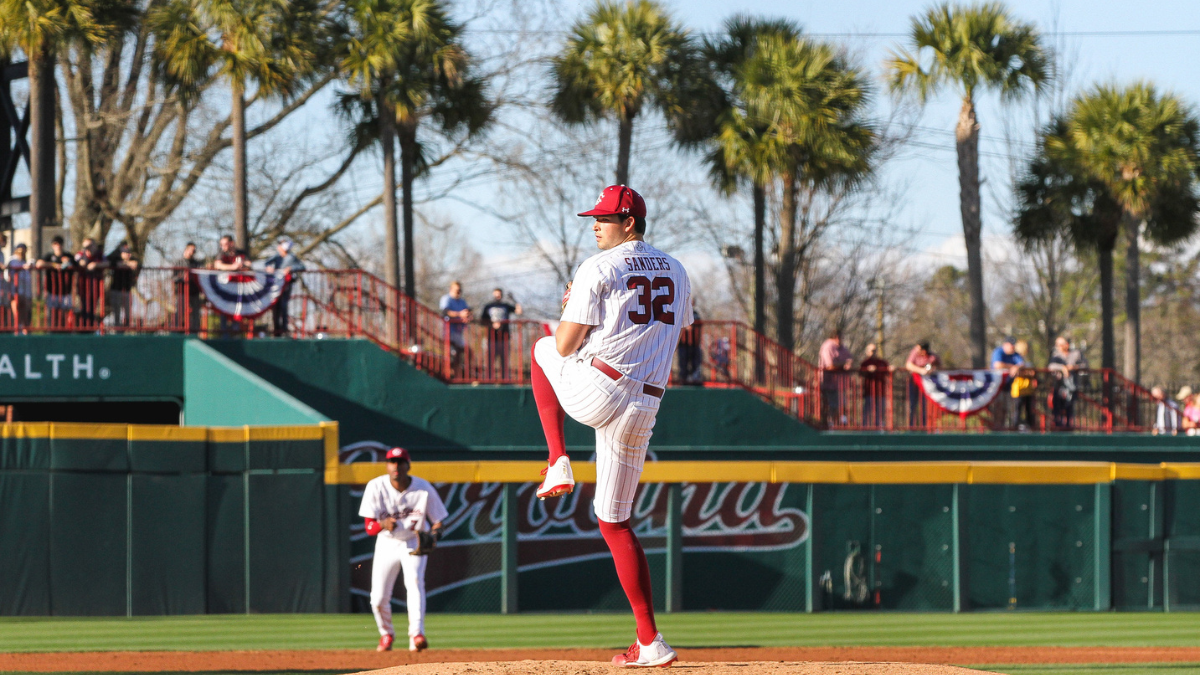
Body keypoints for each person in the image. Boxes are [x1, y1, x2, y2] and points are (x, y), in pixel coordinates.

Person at [531, 185, 689, 668]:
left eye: (604, 218)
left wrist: (568, 313)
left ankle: (557, 458)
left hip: (600, 390)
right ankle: (650, 641)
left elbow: (562, 346)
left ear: (630, 222)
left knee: (539, 348)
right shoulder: (679, 270)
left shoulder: (599, 267)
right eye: (594, 218)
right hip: (645, 405)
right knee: (614, 522)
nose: (595, 225)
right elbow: (662, 333)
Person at [358, 447, 447, 653]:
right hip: (386, 542)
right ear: (387, 465)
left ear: (408, 465)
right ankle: (386, 634)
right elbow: (370, 527)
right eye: (392, 461)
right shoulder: (376, 486)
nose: (396, 466)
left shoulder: (423, 488)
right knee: (378, 598)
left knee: (415, 582)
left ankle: (417, 634)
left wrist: (434, 535)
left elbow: (439, 522)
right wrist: (382, 524)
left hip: (412, 542)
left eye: (400, 461)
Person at [263, 238, 306, 337]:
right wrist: (269, 267)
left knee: (283, 305)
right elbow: (267, 262)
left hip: (286, 284)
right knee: (275, 307)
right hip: (276, 284)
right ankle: (276, 330)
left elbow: (302, 267)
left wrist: (291, 268)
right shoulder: (277, 256)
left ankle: (284, 329)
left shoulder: (291, 257)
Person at [478, 287, 522, 379]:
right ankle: (489, 380)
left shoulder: (506, 306)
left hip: (504, 338)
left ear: (501, 295)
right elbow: (482, 321)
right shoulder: (488, 306)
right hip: (491, 338)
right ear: (493, 294)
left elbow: (519, 311)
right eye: (496, 294)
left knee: (504, 361)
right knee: (490, 361)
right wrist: (492, 325)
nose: (497, 296)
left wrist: (514, 300)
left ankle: (505, 380)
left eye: (499, 294)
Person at [1047, 336, 1087, 430]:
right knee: (1057, 407)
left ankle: (1069, 426)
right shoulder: (1056, 355)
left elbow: (1085, 365)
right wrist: (1063, 368)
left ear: (1067, 345)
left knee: (1069, 406)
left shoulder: (1076, 354)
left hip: (1072, 386)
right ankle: (1057, 426)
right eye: (1057, 345)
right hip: (1059, 386)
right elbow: (1051, 366)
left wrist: (1073, 367)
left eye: (1060, 345)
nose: (1058, 347)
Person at [212, 235, 248, 336]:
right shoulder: (221, 254)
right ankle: (225, 335)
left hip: (238, 289)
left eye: (225, 244)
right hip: (224, 288)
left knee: (237, 311)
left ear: (232, 243)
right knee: (224, 311)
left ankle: (235, 334)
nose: (223, 247)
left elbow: (249, 264)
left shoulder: (241, 253)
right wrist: (232, 267)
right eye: (221, 245)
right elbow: (218, 265)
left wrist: (243, 264)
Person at [36, 236, 75, 329]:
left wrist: (68, 263)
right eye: (56, 244)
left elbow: (77, 264)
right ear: (53, 245)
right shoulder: (49, 256)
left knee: (65, 314)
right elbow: (39, 264)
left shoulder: (68, 256)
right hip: (52, 291)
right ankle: (52, 332)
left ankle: (65, 332)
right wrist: (54, 265)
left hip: (66, 291)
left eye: (60, 243)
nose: (58, 246)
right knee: (52, 314)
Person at [817, 330, 854, 427]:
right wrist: (843, 364)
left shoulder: (842, 347)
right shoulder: (828, 347)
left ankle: (841, 423)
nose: (842, 340)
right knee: (832, 405)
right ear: (836, 337)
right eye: (841, 337)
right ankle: (830, 424)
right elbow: (830, 365)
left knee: (842, 405)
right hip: (829, 382)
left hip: (840, 383)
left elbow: (850, 358)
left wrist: (849, 363)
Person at [74, 238, 108, 329]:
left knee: (93, 308)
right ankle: (82, 329)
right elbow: (76, 261)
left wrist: (96, 264)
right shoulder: (80, 254)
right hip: (82, 287)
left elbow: (107, 263)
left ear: (95, 246)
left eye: (90, 246)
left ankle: (91, 328)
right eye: (85, 246)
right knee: (82, 308)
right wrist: (82, 262)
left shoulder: (100, 255)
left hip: (95, 287)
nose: (88, 248)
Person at [904, 342, 941, 428]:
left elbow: (939, 365)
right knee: (912, 405)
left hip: (926, 384)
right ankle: (911, 427)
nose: (916, 350)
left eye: (919, 349)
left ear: (924, 350)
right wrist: (921, 370)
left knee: (925, 406)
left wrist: (933, 369)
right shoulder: (914, 353)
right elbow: (908, 365)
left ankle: (924, 427)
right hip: (914, 382)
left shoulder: (932, 356)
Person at [439, 281, 471, 377]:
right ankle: (448, 372)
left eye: (460, 290)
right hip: (448, 331)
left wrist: (468, 316)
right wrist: (459, 314)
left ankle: (458, 372)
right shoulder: (446, 299)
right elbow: (445, 312)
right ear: (451, 289)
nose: (458, 292)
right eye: (456, 290)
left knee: (466, 352)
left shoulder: (462, 301)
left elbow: (468, 312)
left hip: (459, 332)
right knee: (450, 353)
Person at [991, 337, 1024, 430]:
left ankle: (1008, 429)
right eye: (1011, 345)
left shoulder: (1015, 354)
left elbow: (1021, 364)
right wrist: (1012, 367)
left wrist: (1017, 367)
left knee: (1009, 409)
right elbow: (997, 365)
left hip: (1010, 386)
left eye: (1013, 345)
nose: (1012, 347)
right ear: (1005, 344)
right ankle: (997, 430)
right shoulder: (998, 352)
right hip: (997, 386)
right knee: (999, 408)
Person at [105, 242, 140, 328]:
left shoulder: (133, 258)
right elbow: (108, 259)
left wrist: (126, 263)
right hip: (116, 289)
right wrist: (126, 263)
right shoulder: (115, 258)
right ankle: (118, 329)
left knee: (128, 312)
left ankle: (127, 328)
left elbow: (137, 263)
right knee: (116, 312)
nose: (128, 254)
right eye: (125, 252)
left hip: (127, 290)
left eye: (129, 252)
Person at [174, 242, 205, 333]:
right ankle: (176, 330)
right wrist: (182, 278)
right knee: (179, 312)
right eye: (191, 250)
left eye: (194, 251)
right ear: (186, 250)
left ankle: (195, 331)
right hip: (182, 292)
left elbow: (202, 274)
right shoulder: (178, 263)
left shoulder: (197, 263)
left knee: (196, 313)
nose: (192, 252)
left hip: (194, 292)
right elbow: (174, 278)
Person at [859, 343, 892, 428]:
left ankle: (879, 429)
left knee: (880, 412)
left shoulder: (882, 362)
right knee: (867, 411)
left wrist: (892, 370)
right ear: (867, 352)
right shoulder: (865, 363)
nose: (874, 352)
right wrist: (867, 370)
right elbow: (861, 373)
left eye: (875, 350)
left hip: (881, 392)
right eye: (872, 351)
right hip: (869, 392)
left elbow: (889, 372)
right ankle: (865, 428)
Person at [1011, 339, 1037, 431]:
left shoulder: (1027, 360)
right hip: (1018, 389)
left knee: (1029, 410)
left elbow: (1032, 373)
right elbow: (1014, 373)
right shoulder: (1015, 358)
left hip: (1028, 389)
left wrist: (1024, 372)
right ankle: (1014, 429)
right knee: (1017, 410)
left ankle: (1031, 428)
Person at [6, 244, 32, 333]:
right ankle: (17, 331)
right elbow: (10, 275)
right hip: (15, 291)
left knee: (25, 312)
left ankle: (24, 331)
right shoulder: (12, 260)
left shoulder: (25, 261)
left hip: (24, 291)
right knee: (16, 312)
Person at [676, 300, 702, 384]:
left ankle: (695, 379)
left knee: (696, 362)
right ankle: (683, 379)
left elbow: (698, 323)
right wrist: (685, 325)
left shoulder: (695, 313)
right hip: (683, 344)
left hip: (694, 344)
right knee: (683, 362)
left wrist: (690, 324)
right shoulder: (679, 311)